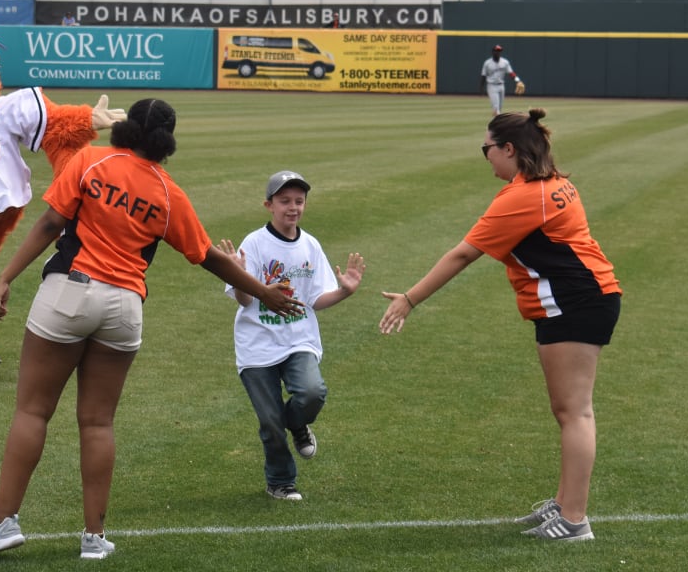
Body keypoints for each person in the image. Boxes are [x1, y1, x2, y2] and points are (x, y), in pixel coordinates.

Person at [0, 99, 304, 560]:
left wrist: (7, 276)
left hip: (69, 292)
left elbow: (50, 222)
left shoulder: (90, 159)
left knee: (33, 412)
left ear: (126, 128)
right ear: (167, 140)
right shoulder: (168, 193)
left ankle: (2, 524)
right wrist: (264, 293)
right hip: (125, 308)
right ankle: (93, 538)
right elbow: (208, 257)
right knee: (98, 422)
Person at [378, 108, 621, 542]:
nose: (486, 156)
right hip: (576, 301)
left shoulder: (523, 197)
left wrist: (410, 298)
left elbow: (462, 254)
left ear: (509, 149)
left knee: (575, 412)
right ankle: (565, 506)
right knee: (568, 411)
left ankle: (574, 519)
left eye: (487, 148)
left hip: (576, 303)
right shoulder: (545, 184)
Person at [218, 171, 365, 501]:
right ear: (268, 205)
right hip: (257, 343)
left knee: (312, 393)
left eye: (299, 201)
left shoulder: (310, 245)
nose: (293, 207)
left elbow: (315, 299)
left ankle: (298, 424)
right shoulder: (254, 243)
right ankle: (281, 481)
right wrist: (240, 277)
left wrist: (345, 292)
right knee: (270, 422)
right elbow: (243, 301)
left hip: (299, 339)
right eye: (284, 201)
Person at [480, 45, 526, 116]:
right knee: (496, 108)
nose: (498, 53)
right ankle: (496, 125)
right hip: (491, 86)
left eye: (499, 51)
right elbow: (483, 76)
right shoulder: (487, 63)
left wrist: (518, 80)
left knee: (500, 108)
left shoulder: (505, 62)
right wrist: (481, 88)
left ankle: (496, 124)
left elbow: (511, 73)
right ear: (493, 52)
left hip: (501, 86)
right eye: (496, 51)